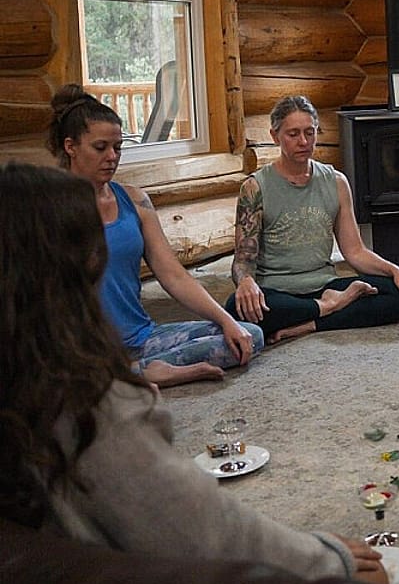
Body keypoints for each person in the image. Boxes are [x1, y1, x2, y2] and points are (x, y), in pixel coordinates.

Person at [0, 162, 388, 584]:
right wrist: (323, 560)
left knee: (251, 329)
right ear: (82, 261)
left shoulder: (26, 379)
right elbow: (200, 526)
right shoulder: (87, 407)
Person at [47, 85, 263, 388]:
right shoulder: (46, 209)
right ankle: (140, 374)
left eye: (118, 148)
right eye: (100, 147)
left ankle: (138, 371)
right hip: (82, 350)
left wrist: (227, 321)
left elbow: (173, 275)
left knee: (248, 336)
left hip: (142, 337)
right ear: (70, 146)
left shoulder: (134, 201)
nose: (112, 157)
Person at [227, 95, 399, 341]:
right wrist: (245, 281)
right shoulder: (255, 187)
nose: (303, 142)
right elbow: (243, 259)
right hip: (276, 292)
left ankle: (308, 324)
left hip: (325, 285)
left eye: (310, 132)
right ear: (275, 136)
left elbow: (355, 252)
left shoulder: (336, 182)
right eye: (293, 134)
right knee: (235, 308)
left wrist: (396, 271)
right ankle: (329, 308)